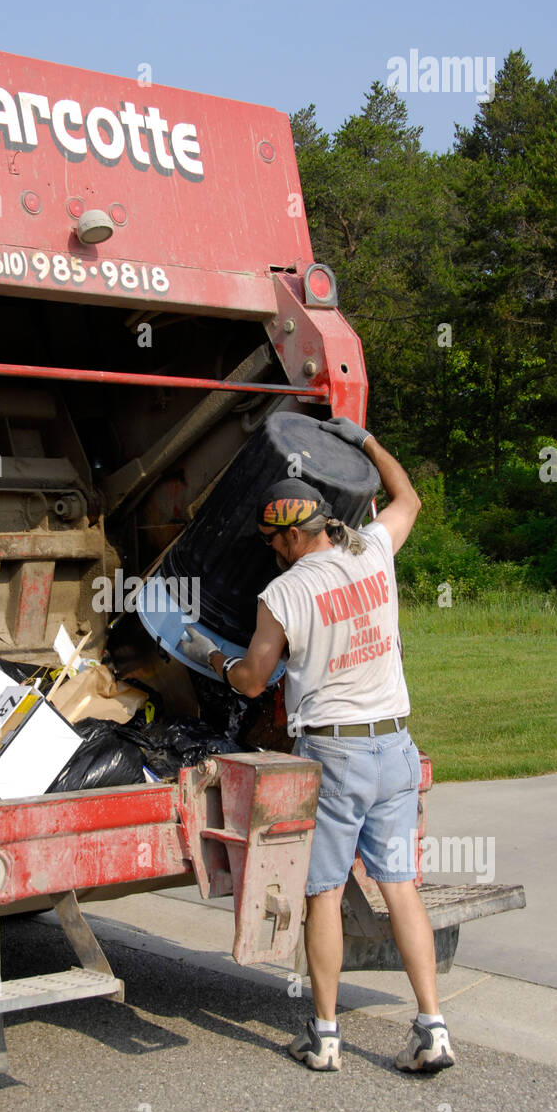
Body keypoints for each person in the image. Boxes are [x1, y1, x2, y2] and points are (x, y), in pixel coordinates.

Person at [179, 416, 455, 1075]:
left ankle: (325, 1037)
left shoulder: (284, 594)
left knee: (323, 894)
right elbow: (408, 498)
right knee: (401, 890)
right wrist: (362, 441)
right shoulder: (370, 550)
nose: (270, 549)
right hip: (396, 749)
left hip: (335, 757)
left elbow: (251, 681)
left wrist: (210, 658)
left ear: (291, 533)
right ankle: (433, 1029)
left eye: (272, 538)